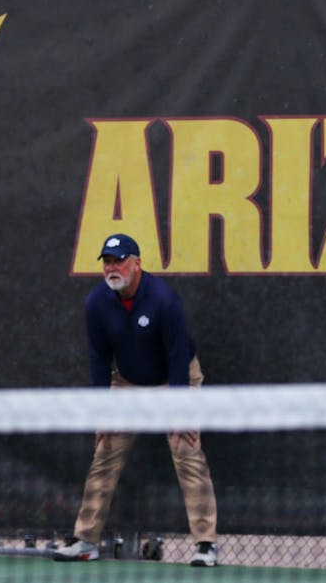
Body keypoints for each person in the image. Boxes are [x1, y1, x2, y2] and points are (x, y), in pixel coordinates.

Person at [52, 233, 219, 567]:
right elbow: (99, 360)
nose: (112, 268)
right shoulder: (96, 303)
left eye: (119, 261)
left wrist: (180, 410)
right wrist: (104, 414)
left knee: (186, 449)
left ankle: (206, 544)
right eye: (108, 262)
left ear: (137, 263)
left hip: (176, 378)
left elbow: (177, 356)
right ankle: (86, 540)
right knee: (105, 450)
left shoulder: (163, 300)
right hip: (127, 383)